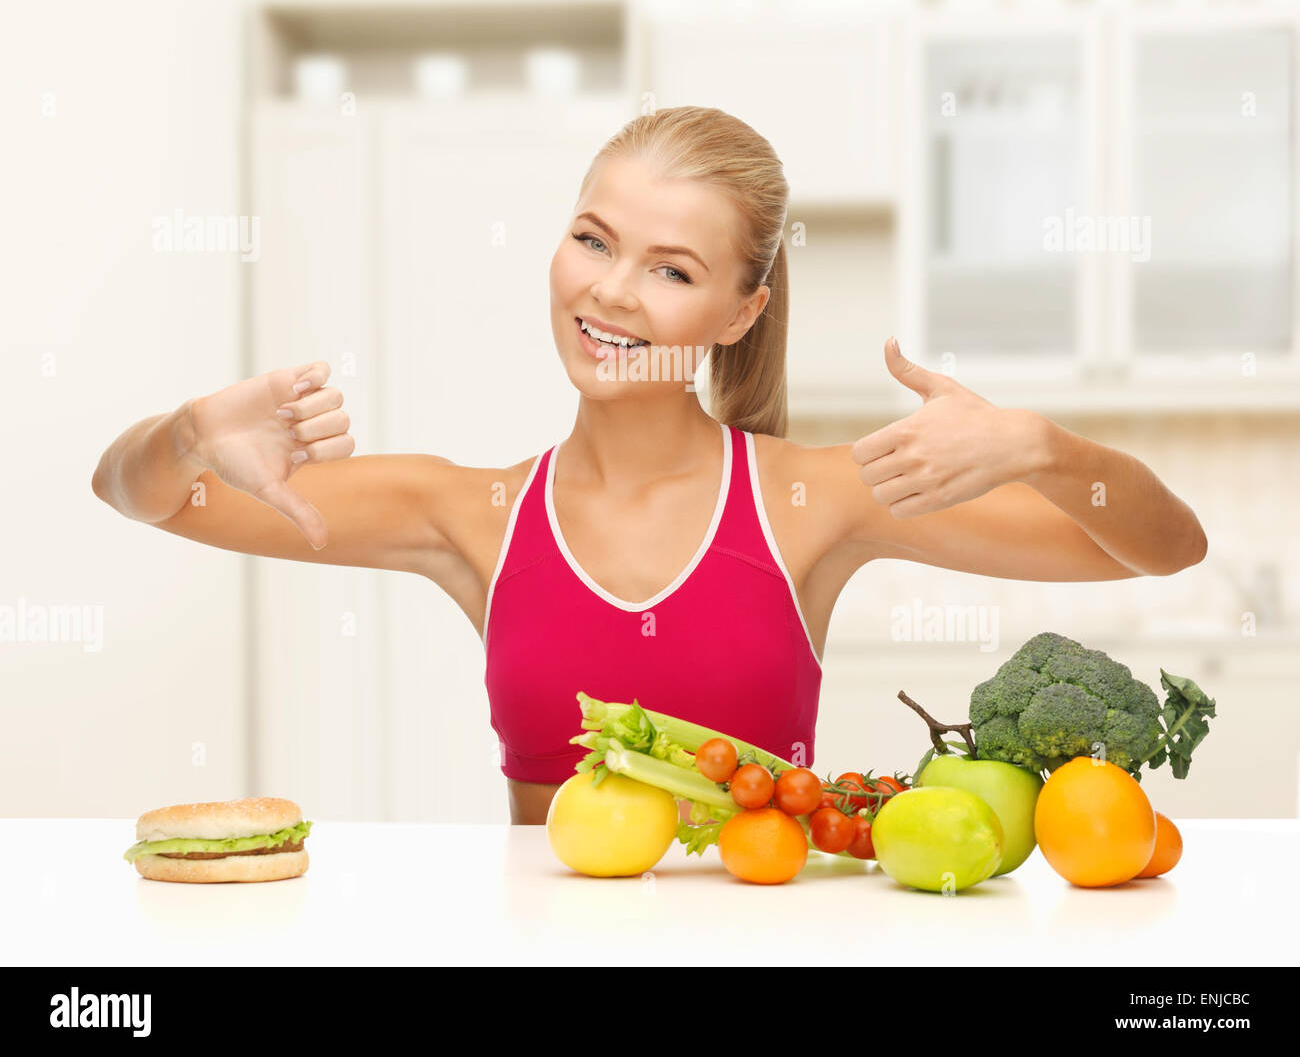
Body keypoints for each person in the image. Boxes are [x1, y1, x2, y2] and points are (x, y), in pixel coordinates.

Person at [91, 106, 1208, 826]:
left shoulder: (809, 499)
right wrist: (192, 428)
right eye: (592, 239)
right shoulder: (468, 513)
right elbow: (137, 496)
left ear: (740, 310)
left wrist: (1045, 450)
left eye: (670, 269)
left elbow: (1158, 550)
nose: (611, 291)